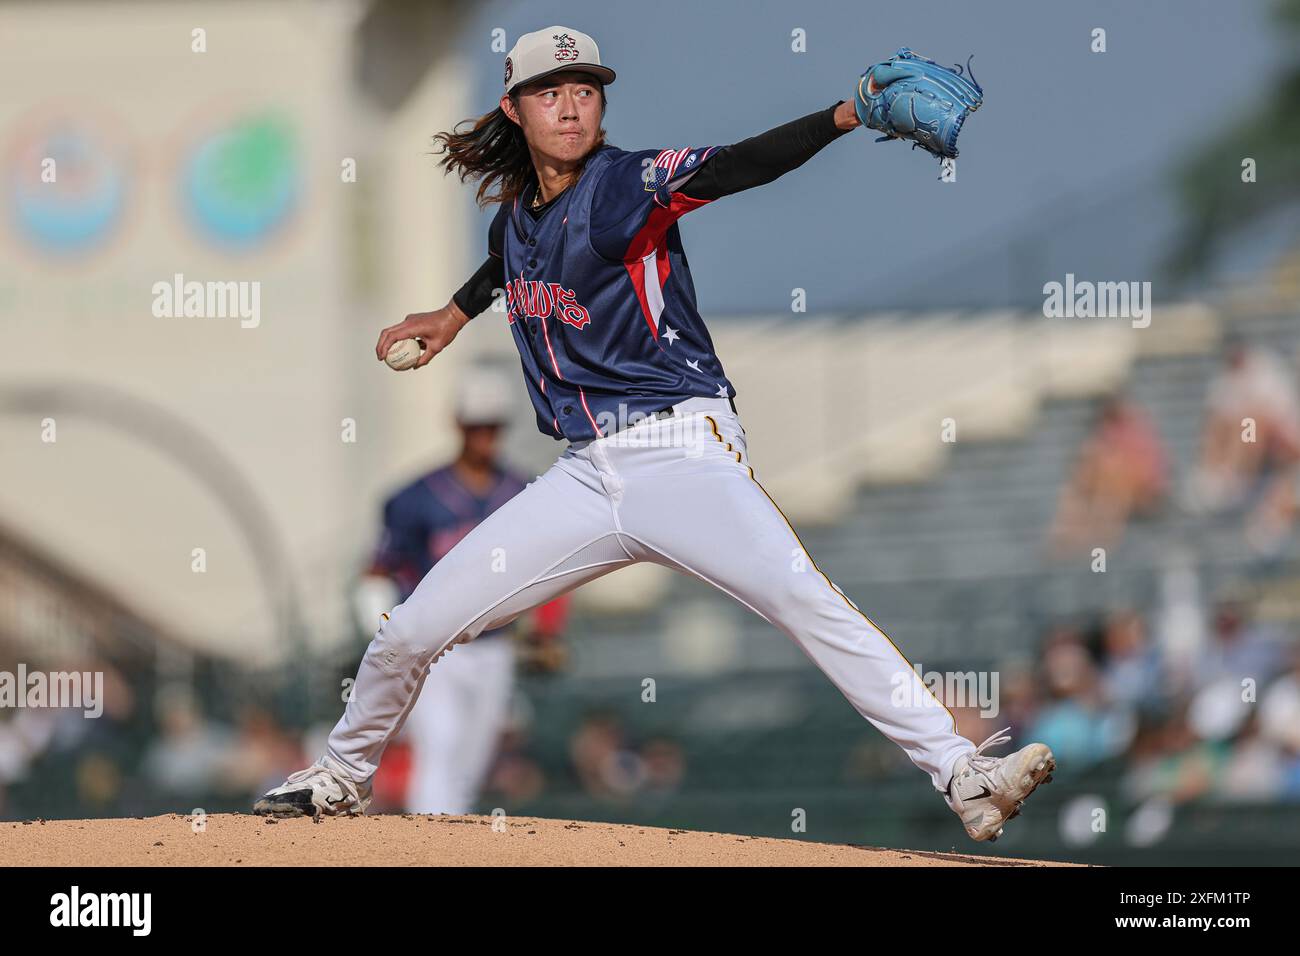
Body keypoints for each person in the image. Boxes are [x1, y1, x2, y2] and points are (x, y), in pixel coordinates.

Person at [255, 25, 1055, 842]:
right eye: (550, 92)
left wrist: (847, 113)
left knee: (803, 600)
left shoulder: (623, 185)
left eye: (585, 90)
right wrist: (453, 316)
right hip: (584, 476)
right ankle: (341, 775)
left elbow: (735, 165)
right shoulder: (518, 217)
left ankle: (963, 772)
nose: (571, 107)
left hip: (680, 454)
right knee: (412, 630)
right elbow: (509, 258)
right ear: (514, 107)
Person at [351, 369, 567, 814]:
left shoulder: (525, 492)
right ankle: (429, 850)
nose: (486, 436)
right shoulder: (414, 498)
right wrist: (387, 637)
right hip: (435, 648)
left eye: (493, 426)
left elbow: (554, 569)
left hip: (495, 645)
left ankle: (452, 847)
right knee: (440, 746)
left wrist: (548, 631)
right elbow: (377, 572)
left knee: (473, 758)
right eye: (477, 426)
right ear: (459, 426)